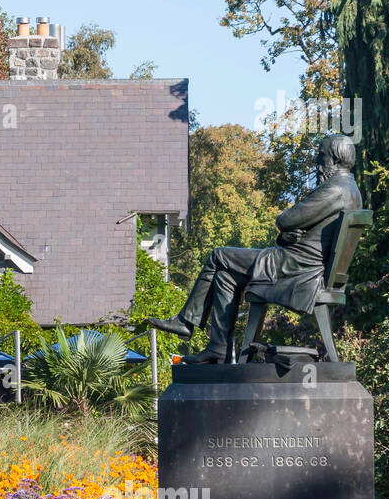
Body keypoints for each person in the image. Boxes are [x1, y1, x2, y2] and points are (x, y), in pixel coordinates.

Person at [149, 133, 363, 363]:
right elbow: (305, 230)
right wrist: (287, 236)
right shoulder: (350, 189)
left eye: (321, 155)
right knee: (225, 276)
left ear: (336, 159)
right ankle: (218, 348)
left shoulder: (334, 190)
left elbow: (286, 220)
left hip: (294, 268)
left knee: (218, 255)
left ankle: (185, 321)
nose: (316, 162)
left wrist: (287, 230)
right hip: (299, 262)